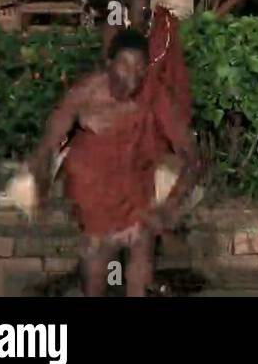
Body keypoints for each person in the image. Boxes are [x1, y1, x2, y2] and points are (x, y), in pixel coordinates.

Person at [25, 29, 202, 297]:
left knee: (142, 244)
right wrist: (39, 190)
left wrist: (171, 204)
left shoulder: (154, 95)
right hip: (92, 187)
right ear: (109, 64)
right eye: (124, 65)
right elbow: (48, 145)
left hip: (135, 181)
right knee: (98, 254)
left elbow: (191, 155)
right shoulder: (85, 93)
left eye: (140, 66)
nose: (133, 74)